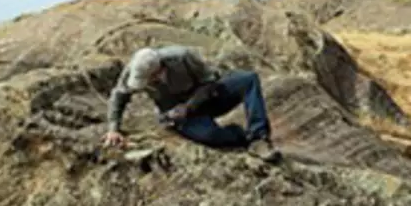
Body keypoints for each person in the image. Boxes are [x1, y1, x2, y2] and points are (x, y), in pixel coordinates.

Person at [103, 46, 281, 163]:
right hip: (181, 116)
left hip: (206, 98)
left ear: (159, 70)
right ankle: (241, 136)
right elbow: (119, 95)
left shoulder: (183, 57)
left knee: (248, 80)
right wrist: (113, 128)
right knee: (212, 136)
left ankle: (259, 138)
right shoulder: (132, 71)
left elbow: (210, 82)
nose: (148, 84)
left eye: (151, 79)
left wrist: (190, 105)